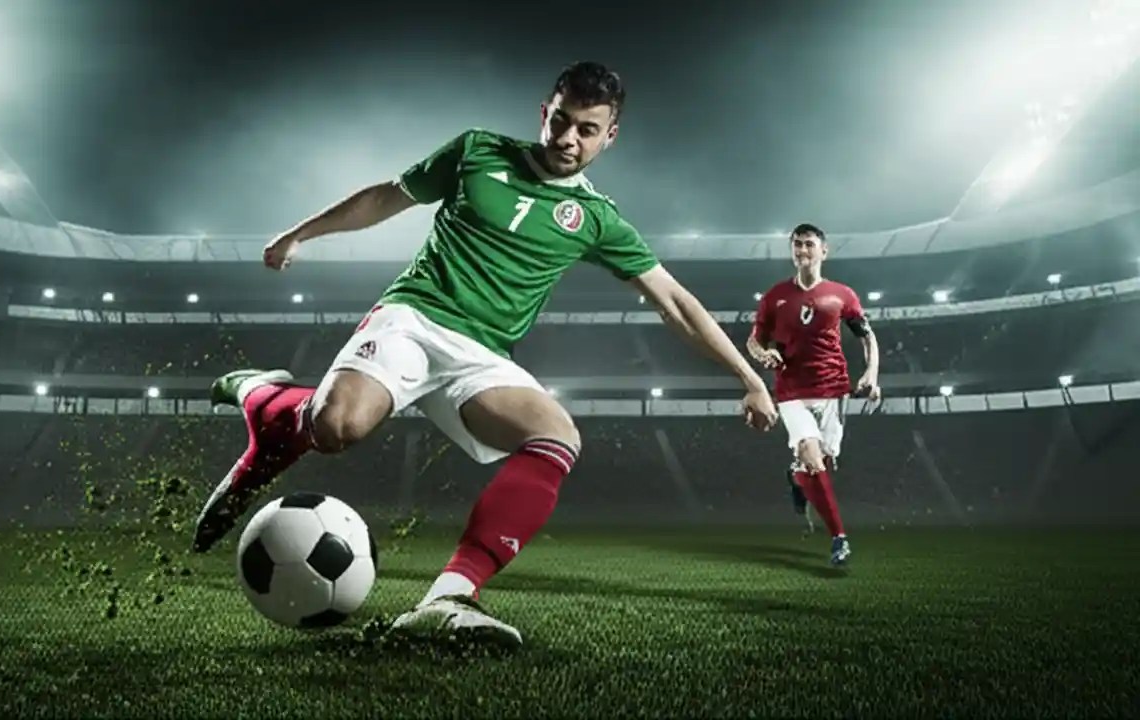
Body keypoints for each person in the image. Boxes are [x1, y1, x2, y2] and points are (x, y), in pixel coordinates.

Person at [194, 61, 778, 645]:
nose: (568, 139)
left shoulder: (598, 220)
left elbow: (674, 302)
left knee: (557, 435)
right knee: (336, 429)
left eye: (587, 130)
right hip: (415, 316)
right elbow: (384, 199)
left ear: (610, 135)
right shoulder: (477, 151)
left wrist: (748, 378)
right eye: (561, 121)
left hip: (482, 353)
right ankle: (270, 402)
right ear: (543, 112)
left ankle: (448, 598)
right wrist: (300, 233)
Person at [747, 223, 881, 566]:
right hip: (791, 390)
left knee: (823, 464)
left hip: (834, 389)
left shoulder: (842, 295)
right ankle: (840, 538)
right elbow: (753, 341)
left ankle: (797, 478)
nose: (802, 250)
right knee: (811, 453)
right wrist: (764, 355)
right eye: (797, 245)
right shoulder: (774, 297)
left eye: (809, 244)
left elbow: (867, 337)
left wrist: (871, 374)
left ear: (824, 251)